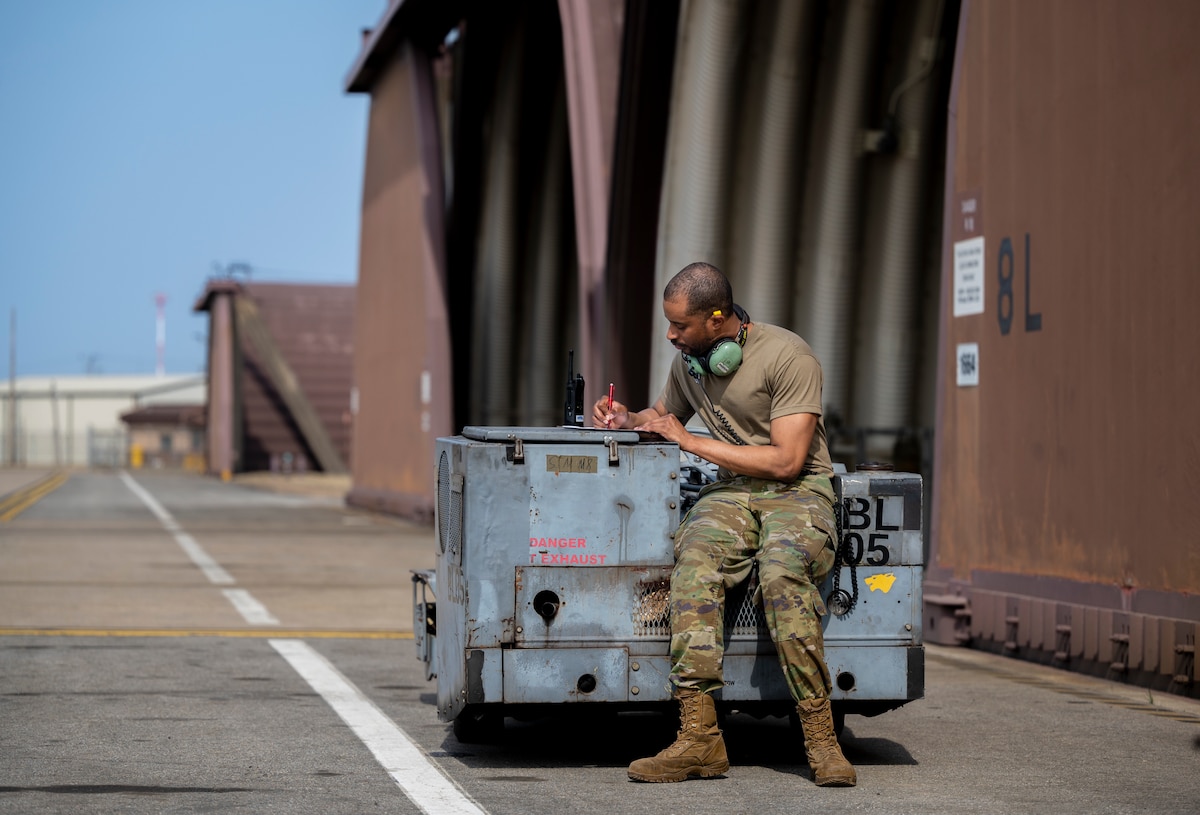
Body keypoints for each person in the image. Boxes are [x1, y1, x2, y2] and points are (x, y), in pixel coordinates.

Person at [592, 261, 855, 787]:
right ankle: (699, 741)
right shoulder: (691, 363)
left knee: (781, 573)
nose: (671, 336)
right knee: (693, 565)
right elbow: (662, 416)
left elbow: (787, 461)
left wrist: (689, 441)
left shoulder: (789, 357)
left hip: (798, 491)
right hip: (733, 492)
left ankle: (822, 740)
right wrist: (627, 419)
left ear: (717, 319)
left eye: (680, 325)